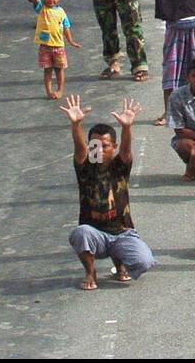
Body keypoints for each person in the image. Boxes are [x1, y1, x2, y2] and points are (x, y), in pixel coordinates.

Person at [62, 94, 155, 290]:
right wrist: (76, 124)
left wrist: (127, 127)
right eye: (95, 145)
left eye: (105, 146)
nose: (100, 149)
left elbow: (127, 151)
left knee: (144, 262)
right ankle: (90, 271)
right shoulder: (86, 168)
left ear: (113, 147)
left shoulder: (119, 167)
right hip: (95, 234)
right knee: (81, 233)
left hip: (122, 232)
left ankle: (120, 265)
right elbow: (79, 149)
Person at [34, 0, 79, 99]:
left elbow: (66, 27)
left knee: (59, 70)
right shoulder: (42, 8)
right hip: (45, 46)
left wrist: (70, 41)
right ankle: (49, 91)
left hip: (58, 46)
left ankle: (60, 90)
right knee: (47, 70)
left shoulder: (61, 12)